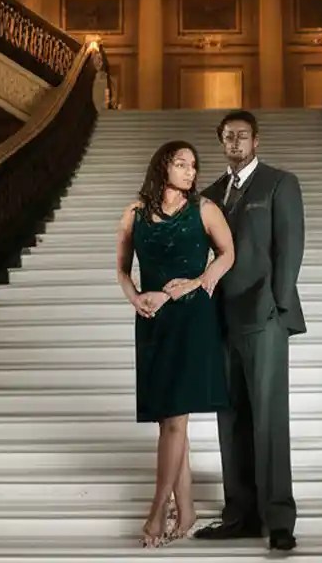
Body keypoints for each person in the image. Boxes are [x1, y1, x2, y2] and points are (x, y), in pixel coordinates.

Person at [190, 110, 306, 552]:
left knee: (270, 419)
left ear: (256, 140)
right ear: (222, 143)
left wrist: (275, 303)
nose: (234, 142)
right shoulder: (211, 194)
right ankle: (240, 513)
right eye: (227, 136)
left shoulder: (279, 183)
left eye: (242, 135)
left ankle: (279, 520)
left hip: (265, 317)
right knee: (231, 418)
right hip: (221, 320)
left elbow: (290, 247)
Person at [116, 140, 236, 548]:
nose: (190, 171)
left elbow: (228, 254)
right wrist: (135, 299)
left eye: (193, 165)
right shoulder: (134, 213)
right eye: (180, 164)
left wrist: (198, 283)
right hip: (151, 319)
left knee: (174, 420)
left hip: (191, 319)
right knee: (169, 419)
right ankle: (186, 512)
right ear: (161, 166)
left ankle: (155, 513)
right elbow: (121, 269)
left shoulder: (205, 209)